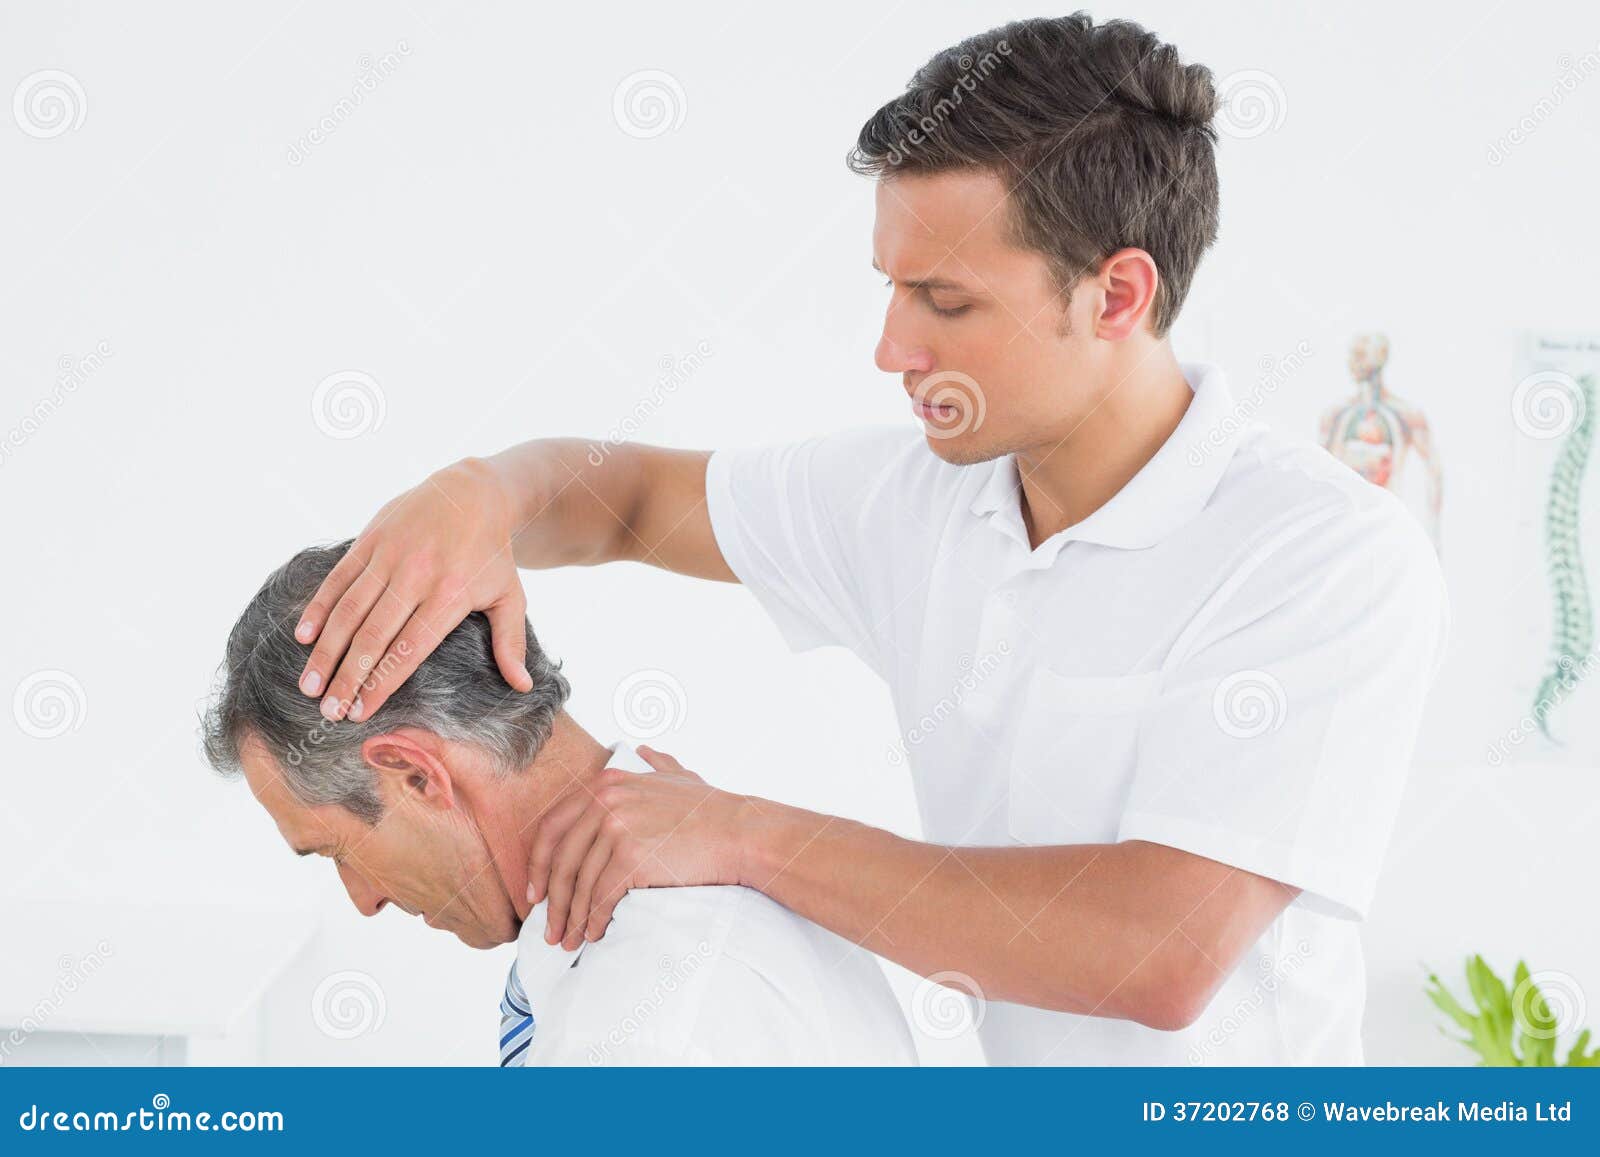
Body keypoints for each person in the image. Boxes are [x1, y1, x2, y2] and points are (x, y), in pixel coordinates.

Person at [286, 14, 1449, 1064]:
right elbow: (624, 500)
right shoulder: (915, 499)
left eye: (946, 301)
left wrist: (741, 833)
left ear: (1115, 296)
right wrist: (477, 495)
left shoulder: (1322, 555)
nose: (892, 348)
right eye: (890, 288)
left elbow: (1155, 953)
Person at [199, 540, 919, 1066]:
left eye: (336, 851)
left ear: (416, 775)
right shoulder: (717, 908)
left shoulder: (638, 1035)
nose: (363, 900)